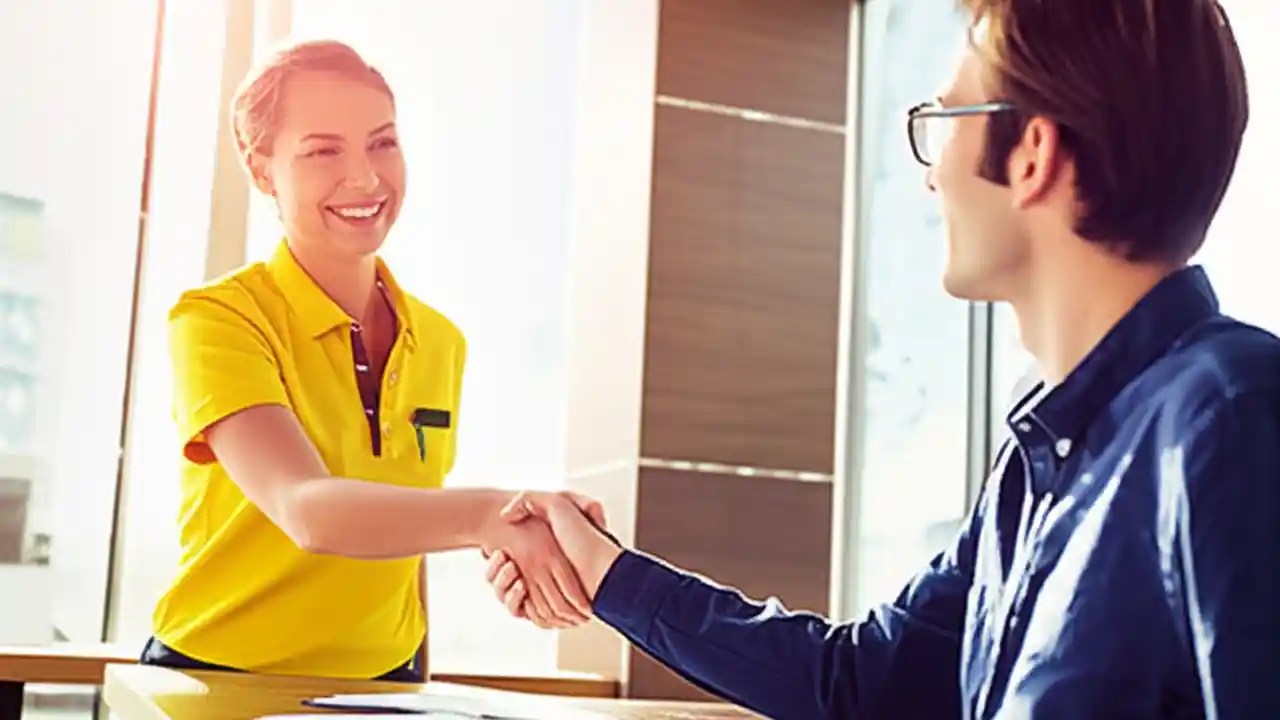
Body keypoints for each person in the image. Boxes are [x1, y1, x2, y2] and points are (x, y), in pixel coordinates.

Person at [486, 1, 1280, 717]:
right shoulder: (1036, 468)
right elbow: (859, 684)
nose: (932, 175)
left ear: (1032, 154)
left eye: (946, 120)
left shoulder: (1230, 414)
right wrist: (607, 575)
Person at [141, 40, 603, 681]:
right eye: (323, 151)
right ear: (262, 169)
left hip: (388, 683)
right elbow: (305, 508)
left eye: (382, 143)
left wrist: (513, 556)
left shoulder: (440, 341)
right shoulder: (218, 320)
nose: (364, 178)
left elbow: (409, 542)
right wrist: (492, 519)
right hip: (217, 678)